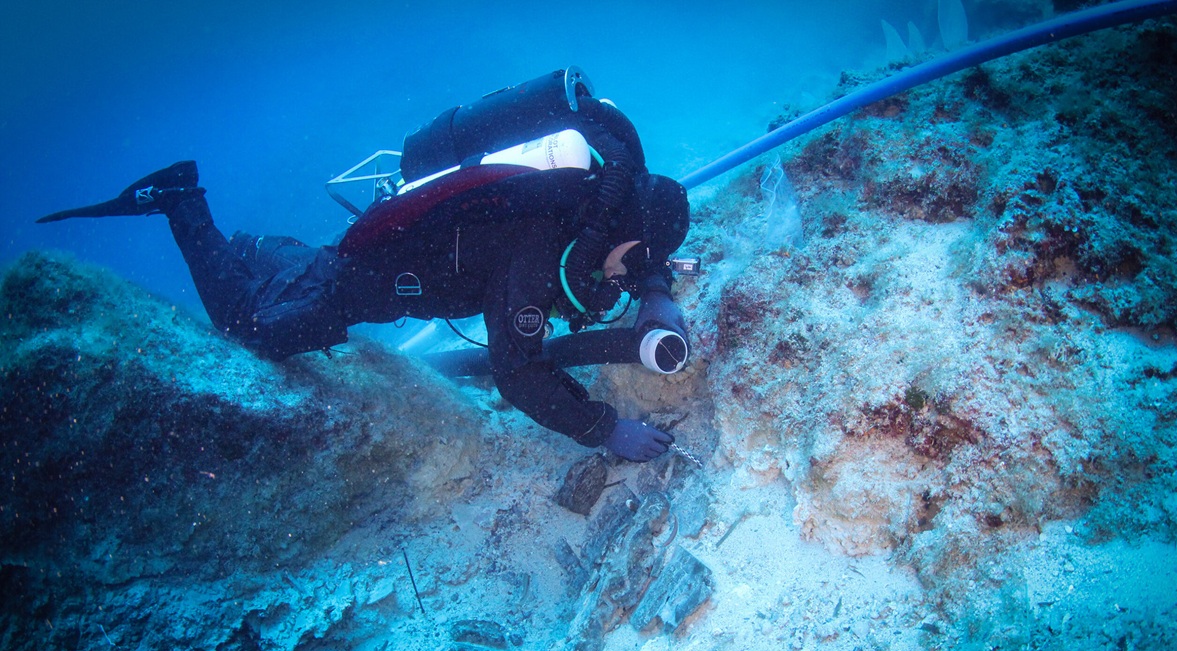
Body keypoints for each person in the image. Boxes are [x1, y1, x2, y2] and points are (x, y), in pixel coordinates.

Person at [37, 69, 691, 462]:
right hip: (362, 285)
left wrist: (656, 287)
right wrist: (605, 428)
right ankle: (184, 202)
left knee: (308, 267)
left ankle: (252, 248)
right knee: (246, 327)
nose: (624, 281)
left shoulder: (594, 200)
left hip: (379, 252)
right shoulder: (538, 254)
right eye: (634, 266)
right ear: (625, 227)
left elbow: (626, 253)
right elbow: (517, 375)